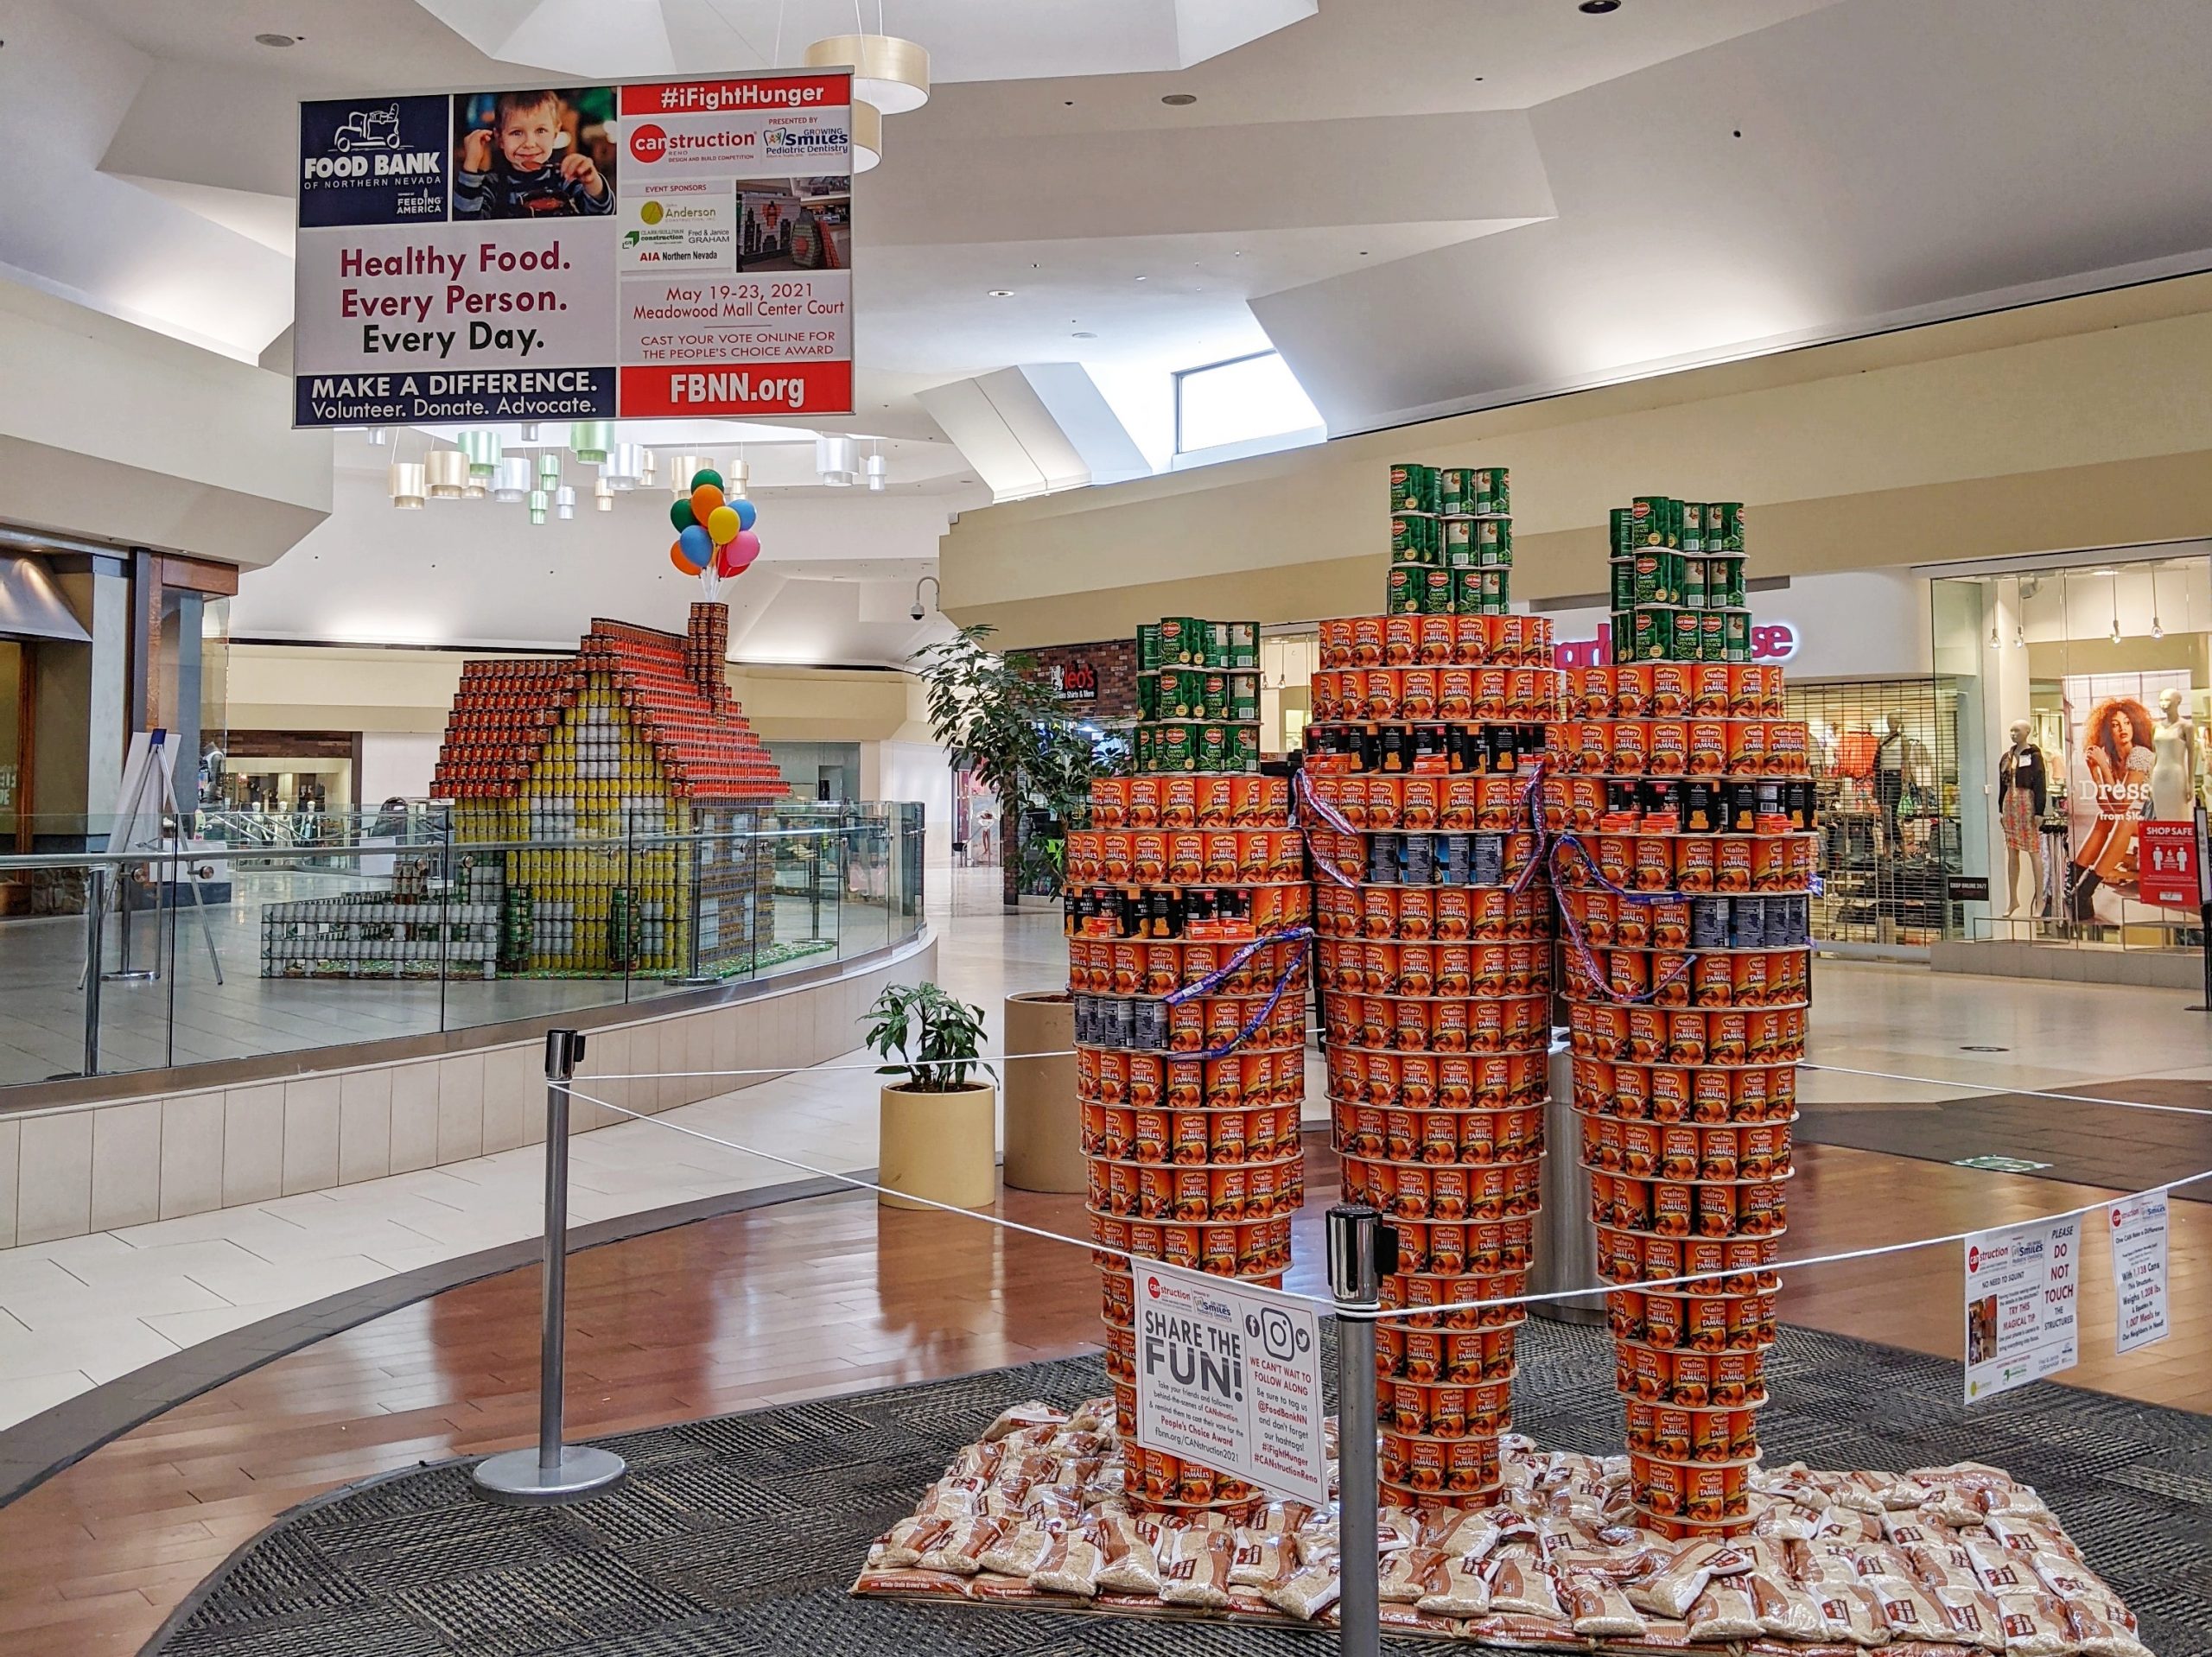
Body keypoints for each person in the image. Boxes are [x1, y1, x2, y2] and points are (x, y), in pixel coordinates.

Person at [455, 91, 611, 219]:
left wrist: (591, 181)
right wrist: (471, 164)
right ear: (500, 138)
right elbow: (466, 224)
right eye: (517, 133)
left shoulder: (565, 178)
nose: (529, 143)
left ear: (555, 133)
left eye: (541, 131)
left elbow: (601, 213)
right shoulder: (492, 184)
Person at [2069, 696, 2155, 917]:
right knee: (2104, 819)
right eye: (2115, 725)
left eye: (2127, 722)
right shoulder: (2114, 756)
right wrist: (2095, 772)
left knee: (2124, 821)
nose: (2123, 729)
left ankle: (2084, 890)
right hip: (2137, 814)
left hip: (2159, 816)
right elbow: (2108, 808)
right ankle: (2071, 882)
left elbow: (2122, 803)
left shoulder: (2140, 755)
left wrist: (2104, 770)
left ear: (2135, 725)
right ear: (2108, 730)